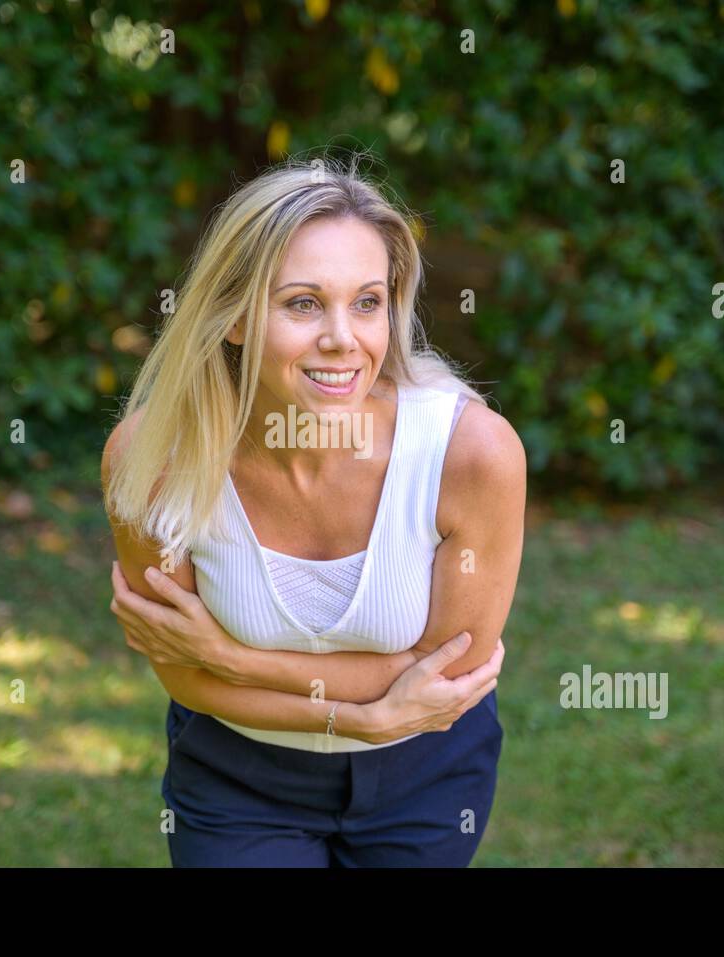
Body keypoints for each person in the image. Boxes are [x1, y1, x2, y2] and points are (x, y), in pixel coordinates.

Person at [102, 153, 527, 867]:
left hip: (427, 771)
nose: (343, 337)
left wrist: (229, 655)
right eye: (303, 303)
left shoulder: (470, 452)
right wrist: (356, 713)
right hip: (237, 774)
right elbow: (182, 676)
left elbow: (447, 673)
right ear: (233, 317)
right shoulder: (155, 458)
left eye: (367, 302)